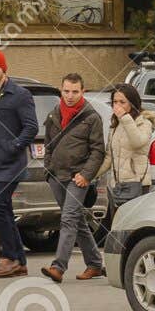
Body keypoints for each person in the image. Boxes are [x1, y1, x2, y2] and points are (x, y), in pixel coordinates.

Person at [40, 73, 106, 282]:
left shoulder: (92, 117)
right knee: (77, 220)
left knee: (68, 218)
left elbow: (98, 151)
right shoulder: (54, 114)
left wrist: (86, 175)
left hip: (77, 178)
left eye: (75, 92)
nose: (70, 96)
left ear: (82, 91)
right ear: (61, 90)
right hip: (56, 176)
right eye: (66, 91)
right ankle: (95, 264)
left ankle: (58, 267)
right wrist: (48, 170)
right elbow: (48, 145)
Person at [0, 47, 38, 278]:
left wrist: (14, 145)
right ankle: (19, 262)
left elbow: (31, 127)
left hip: (12, 163)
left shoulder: (20, 94)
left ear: (3, 69)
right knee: (1, 210)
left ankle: (10, 257)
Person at [101, 83, 155, 228]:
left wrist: (125, 118)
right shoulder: (116, 125)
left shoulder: (143, 122)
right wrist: (89, 175)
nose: (117, 105)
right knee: (119, 226)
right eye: (115, 102)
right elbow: (109, 157)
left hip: (137, 184)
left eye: (122, 102)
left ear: (132, 103)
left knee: (134, 225)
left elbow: (138, 142)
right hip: (118, 186)